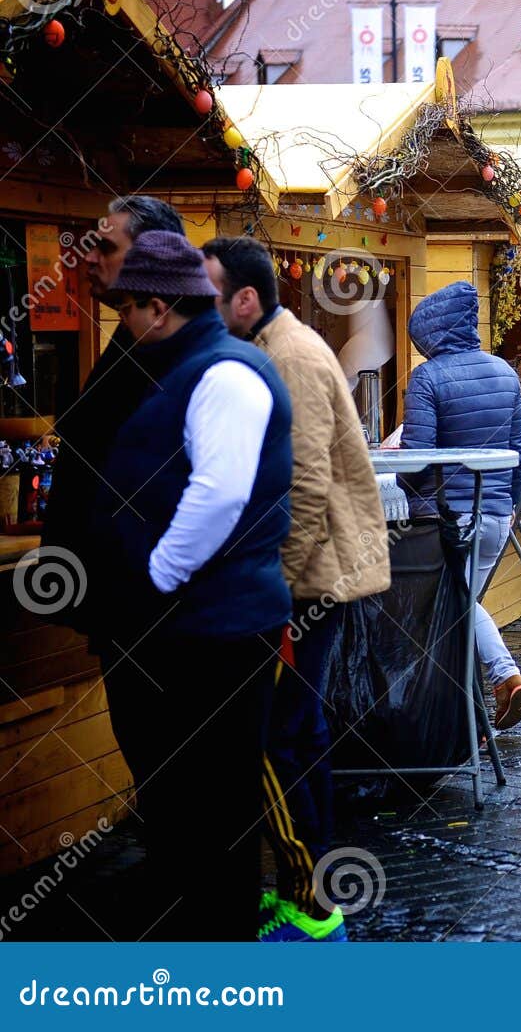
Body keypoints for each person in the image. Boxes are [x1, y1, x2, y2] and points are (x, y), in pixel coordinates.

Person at [91, 231, 293, 941]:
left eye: (126, 307)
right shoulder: (192, 365)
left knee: (213, 817)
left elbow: (217, 495)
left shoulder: (224, 372)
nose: (123, 322)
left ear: (156, 305)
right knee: (184, 812)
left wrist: (152, 579)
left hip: (212, 631)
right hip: (190, 628)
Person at [203, 237, 390, 942]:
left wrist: (272, 586)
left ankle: (311, 905)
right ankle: (313, 897)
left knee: (288, 735)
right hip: (311, 575)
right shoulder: (283, 346)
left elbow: (304, 484)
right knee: (299, 730)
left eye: (209, 294)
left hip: (310, 580)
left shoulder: (290, 357)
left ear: (244, 300)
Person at [42, 195, 186, 638]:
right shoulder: (134, 338)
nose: (88, 259)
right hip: (122, 602)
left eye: (106, 248)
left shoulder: (170, 351)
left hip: (155, 614)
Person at [401, 281, 521, 729]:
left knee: (452, 605)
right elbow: (518, 450)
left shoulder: (428, 377)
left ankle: (494, 686)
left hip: (446, 519)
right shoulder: (504, 372)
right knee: (460, 603)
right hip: (495, 513)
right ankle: (477, 708)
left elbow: (418, 458)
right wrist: (510, 501)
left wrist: (395, 474)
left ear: (432, 334)